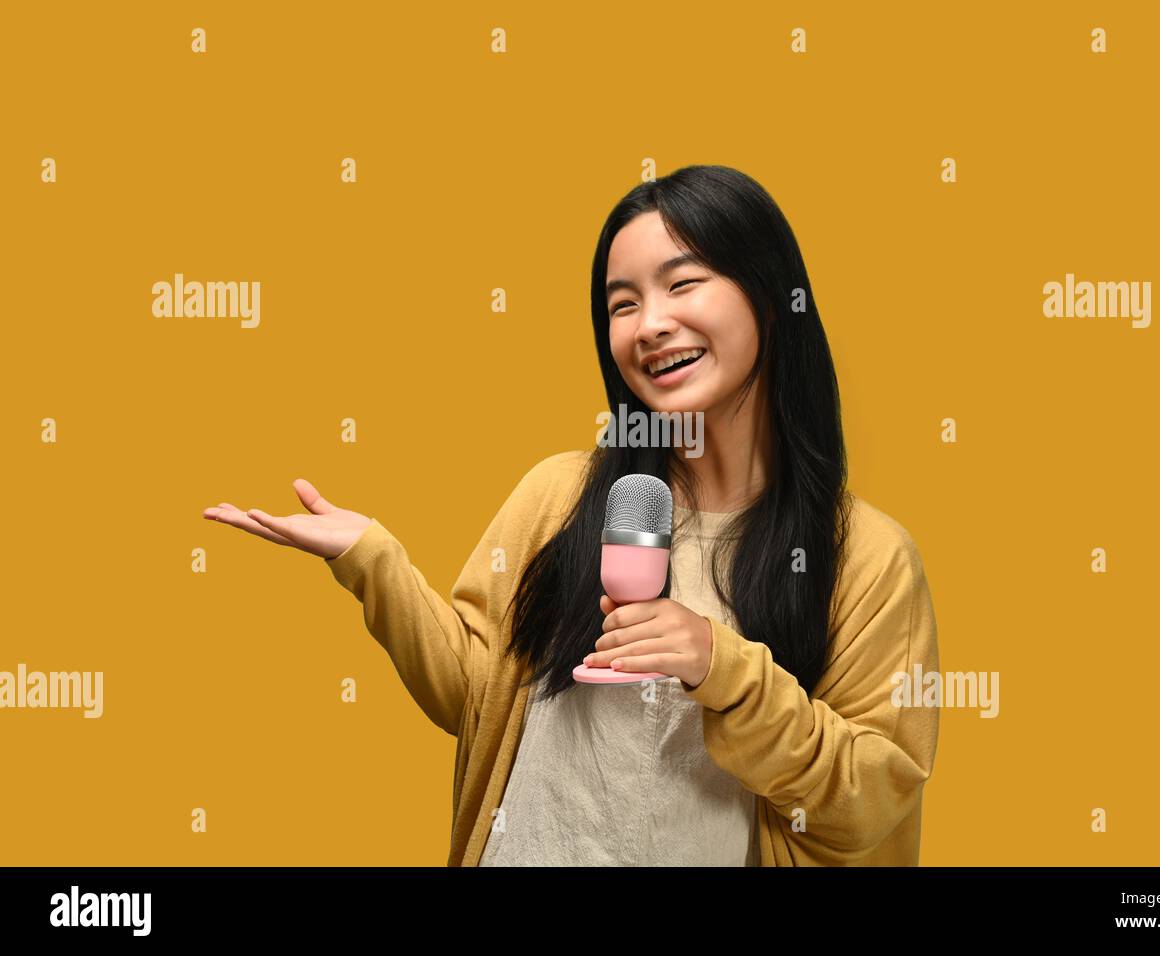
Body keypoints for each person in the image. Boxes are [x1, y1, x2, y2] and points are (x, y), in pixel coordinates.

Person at [202, 164, 940, 866]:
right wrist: (372, 558)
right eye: (623, 305)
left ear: (771, 298)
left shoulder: (866, 556)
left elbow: (872, 798)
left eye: (682, 283)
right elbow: (473, 699)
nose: (649, 325)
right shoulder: (559, 495)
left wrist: (723, 667)